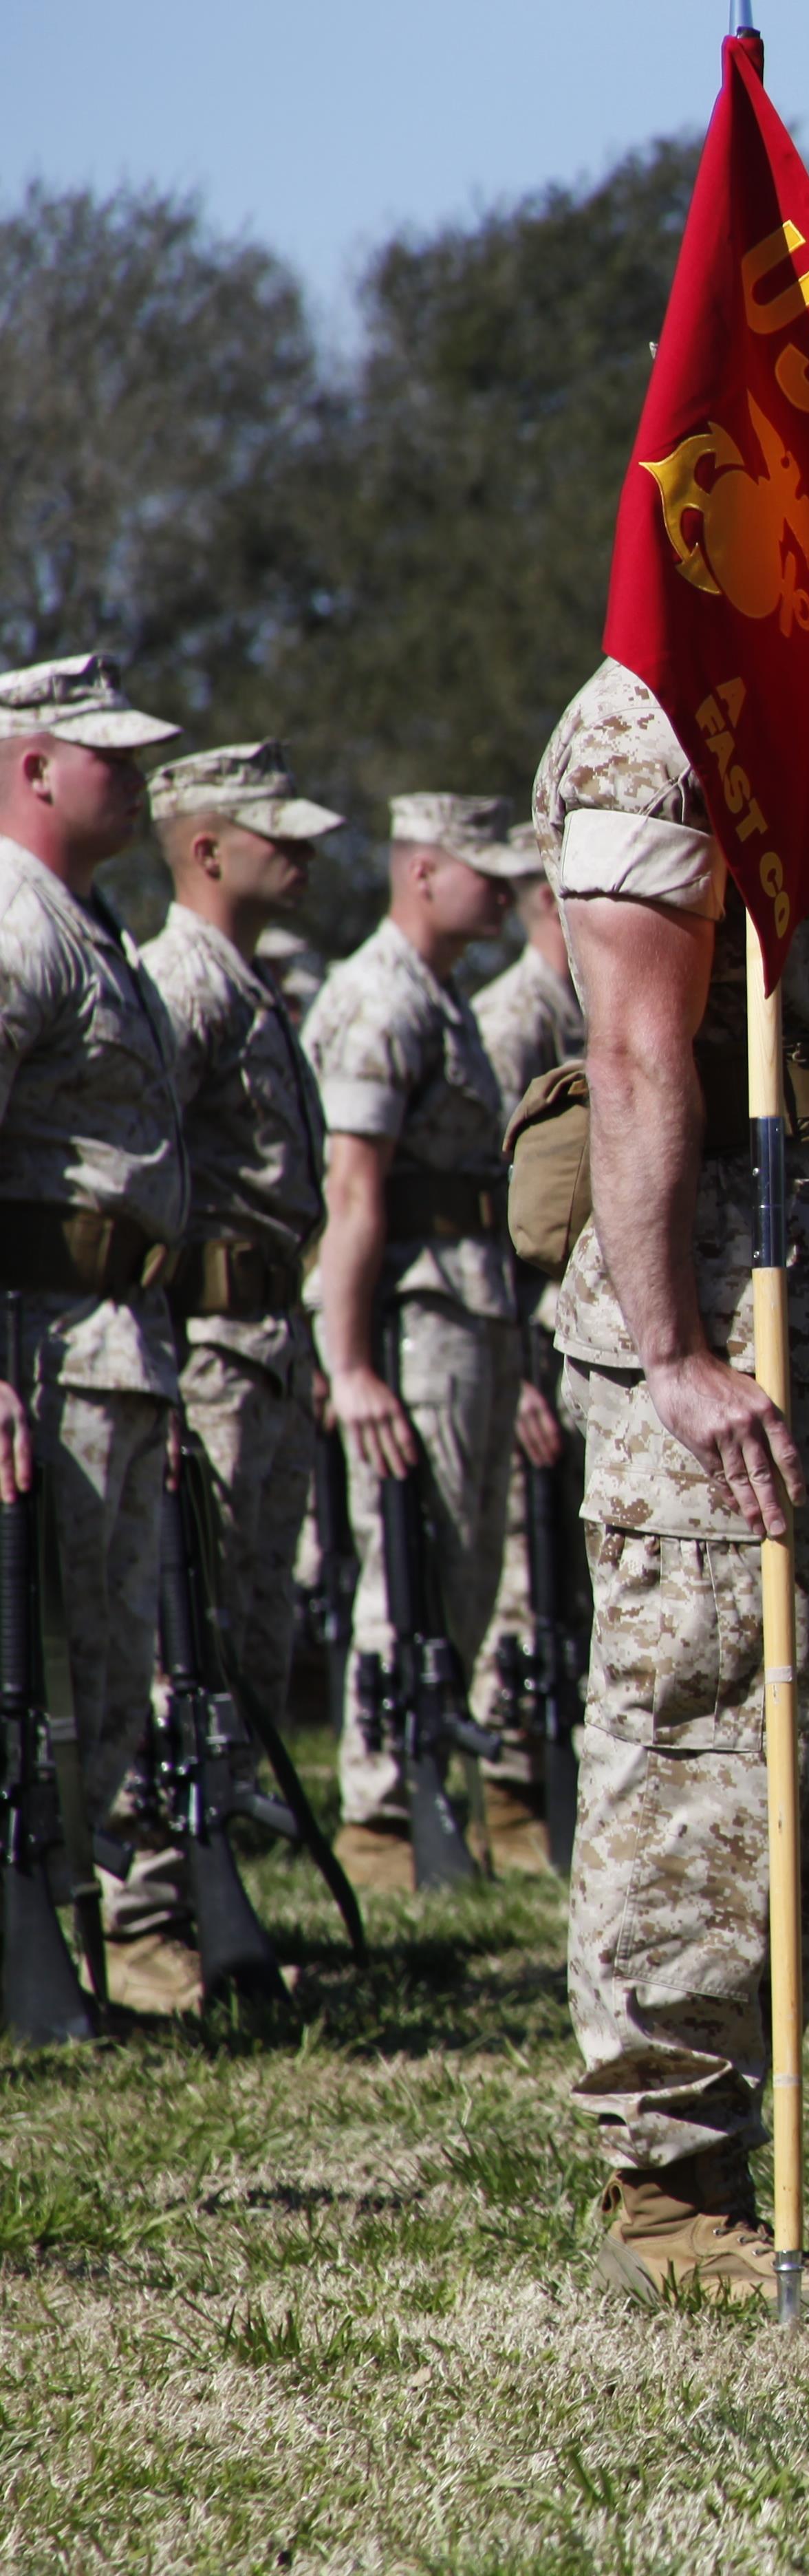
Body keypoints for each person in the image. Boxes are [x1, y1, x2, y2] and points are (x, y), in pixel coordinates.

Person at [532, 649, 809, 2309]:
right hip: (730, 1314)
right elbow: (638, 1048)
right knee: (705, 1741)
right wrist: (678, 1348)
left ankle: (729, 2140)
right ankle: (671, 2189)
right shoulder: (656, 716)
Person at [0, 654, 196, 2011]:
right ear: (31, 768)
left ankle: (102, 1927)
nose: (136, 780)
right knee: (51, 1664)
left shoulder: (90, 923)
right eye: (108, 757)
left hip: (114, 1337)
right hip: (44, 1342)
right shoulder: (17, 923)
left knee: (111, 1657)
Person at [308, 793, 546, 1891]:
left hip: (472, 1307)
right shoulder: (377, 998)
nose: (504, 888)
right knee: (402, 1562)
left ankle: (423, 1790)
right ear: (418, 871)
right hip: (417, 1320)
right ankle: (380, 1812)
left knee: (458, 1559)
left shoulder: (442, 1002)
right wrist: (349, 1364)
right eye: (482, 867)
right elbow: (352, 1196)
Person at [140, 741, 337, 1971]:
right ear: (209, 847)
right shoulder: (188, 984)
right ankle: (153, 1908)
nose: (305, 852)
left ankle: (214, 1905)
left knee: (246, 1645)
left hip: (266, 1341)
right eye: (279, 833)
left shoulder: (249, 986)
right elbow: (147, 1183)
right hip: (206, 1345)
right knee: (180, 1643)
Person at [469, 828, 585, 1870]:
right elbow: (498, 1207)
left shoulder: (582, 1005)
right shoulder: (515, 1016)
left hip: (574, 1327)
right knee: (519, 1565)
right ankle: (507, 1786)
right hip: (525, 1333)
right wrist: (512, 1365)